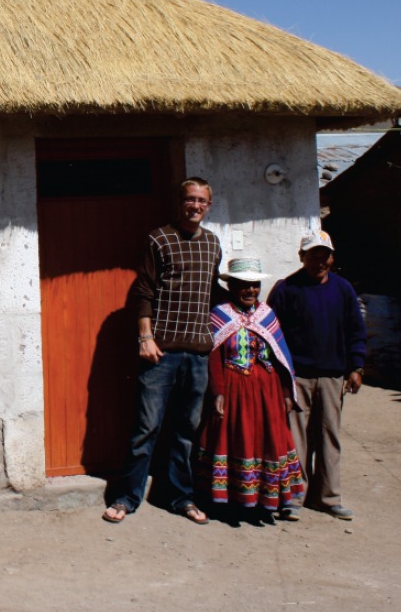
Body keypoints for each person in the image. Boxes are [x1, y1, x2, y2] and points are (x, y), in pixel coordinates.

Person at [103, 178, 222, 525]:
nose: (195, 206)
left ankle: (180, 498)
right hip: (161, 353)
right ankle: (127, 498)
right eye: (189, 199)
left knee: (186, 433)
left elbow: (212, 292)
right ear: (179, 202)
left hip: (198, 354)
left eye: (201, 201)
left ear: (208, 206)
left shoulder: (213, 244)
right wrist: (145, 337)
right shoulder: (160, 239)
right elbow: (144, 290)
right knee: (146, 429)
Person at [267, 230, 366, 520]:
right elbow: (272, 333)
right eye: (313, 255)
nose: (319, 261)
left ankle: (327, 497)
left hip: (333, 376)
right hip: (297, 376)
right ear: (302, 257)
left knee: (328, 437)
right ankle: (293, 498)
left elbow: (355, 331)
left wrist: (356, 367)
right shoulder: (286, 289)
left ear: (332, 258)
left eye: (324, 256)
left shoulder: (343, 289)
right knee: (296, 439)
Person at [195, 257, 303, 521]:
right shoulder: (219, 315)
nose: (250, 290)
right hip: (235, 389)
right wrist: (218, 392)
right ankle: (233, 501)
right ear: (231, 286)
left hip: (267, 391)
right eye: (244, 285)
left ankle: (267, 501)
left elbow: (280, 357)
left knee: (267, 441)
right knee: (236, 440)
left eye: (254, 285)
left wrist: (287, 393)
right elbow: (214, 357)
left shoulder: (266, 314)